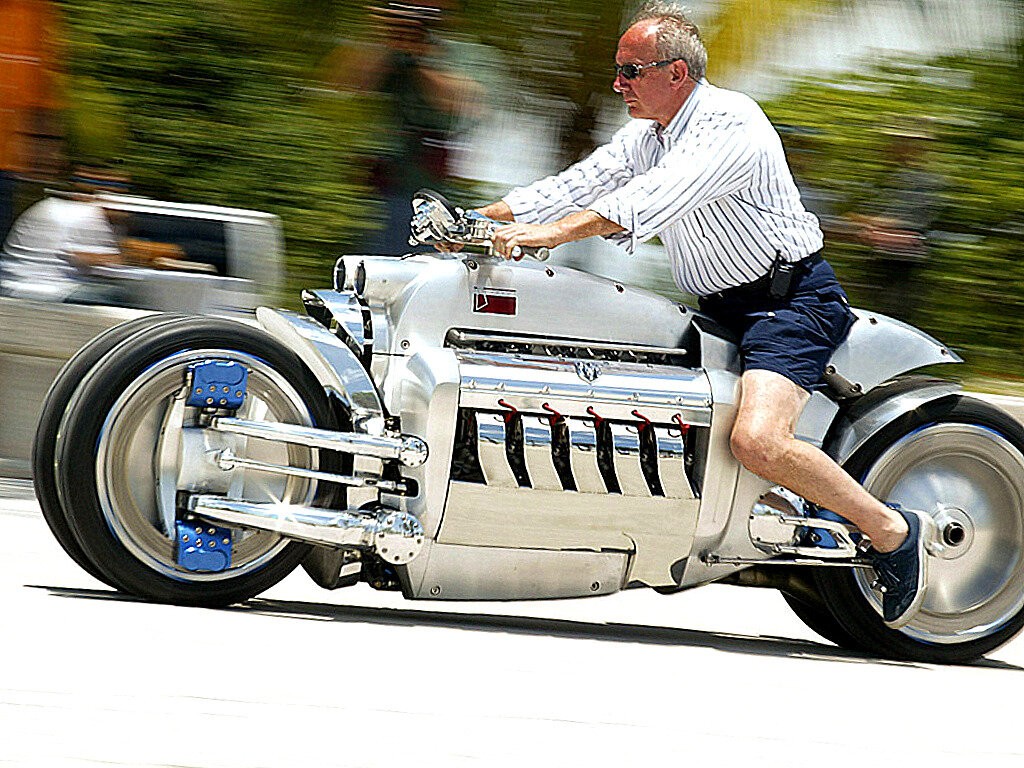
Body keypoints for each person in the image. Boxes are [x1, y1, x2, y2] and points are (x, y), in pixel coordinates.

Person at [468, 1, 932, 628]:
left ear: (676, 73)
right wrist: (482, 218)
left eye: (631, 71)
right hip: (716, 306)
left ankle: (892, 532)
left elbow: (647, 200)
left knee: (758, 441)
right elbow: (577, 183)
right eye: (618, 70)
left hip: (786, 305)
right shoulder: (646, 135)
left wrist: (545, 237)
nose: (618, 84)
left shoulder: (729, 123)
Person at [325, 1, 482, 254]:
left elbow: (460, 100)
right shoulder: (385, 52)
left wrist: (419, 54)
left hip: (434, 194)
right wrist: (385, 41)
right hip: (382, 190)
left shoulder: (460, 53)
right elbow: (344, 84)